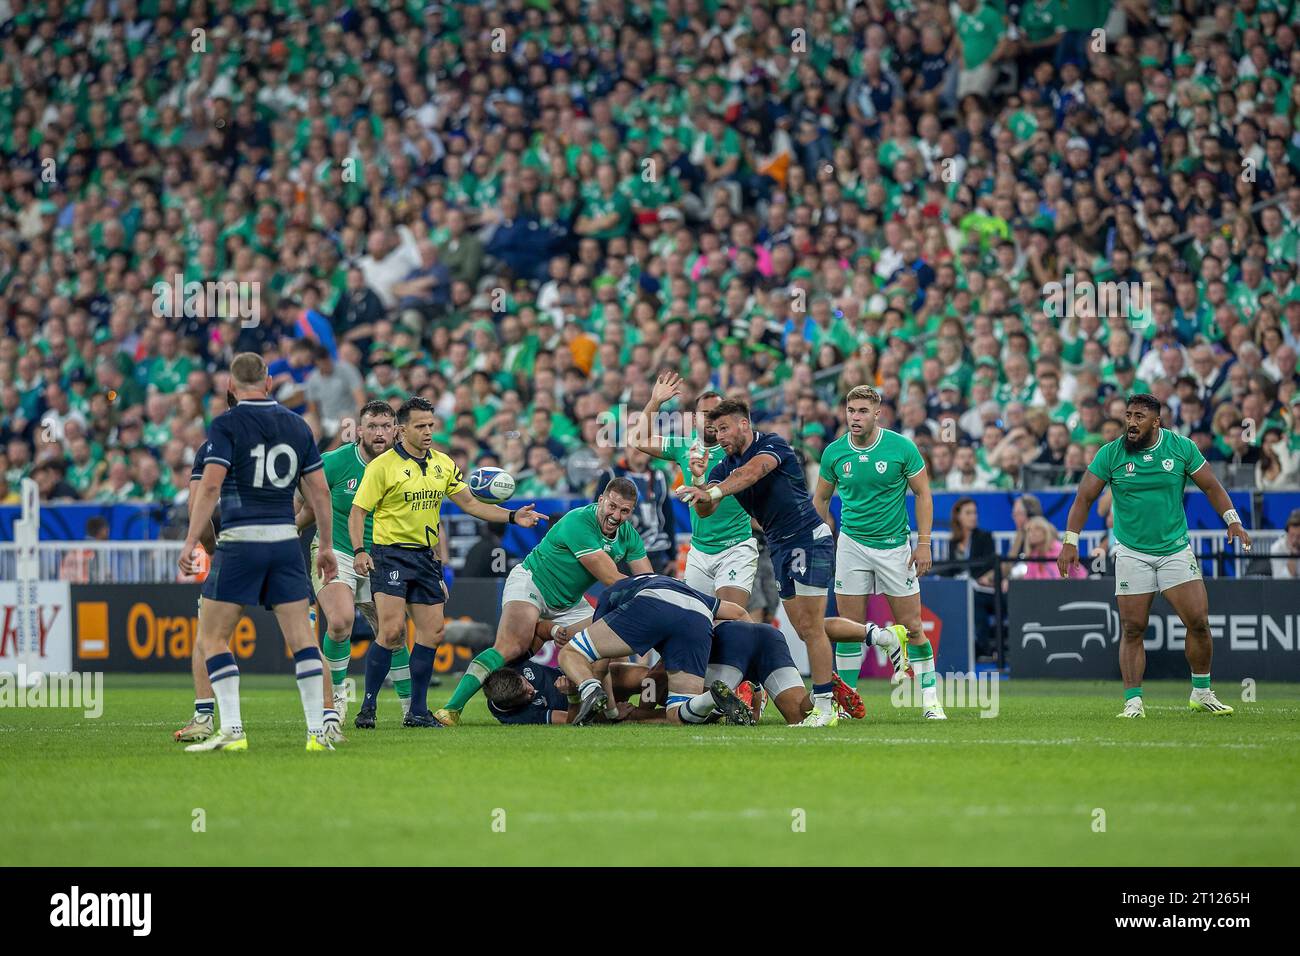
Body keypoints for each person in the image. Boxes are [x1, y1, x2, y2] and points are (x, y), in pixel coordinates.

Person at [348, 396, 545, 728]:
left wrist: (512, 516)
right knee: (393, 630)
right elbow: (358, 513)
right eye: (420, 426)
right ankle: (367, 707)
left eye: (431, 425)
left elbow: (470, 503)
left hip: (425, 557)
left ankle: (417, 712)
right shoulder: (382, 467)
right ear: (400, 430)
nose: (428, 431)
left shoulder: (443, 463)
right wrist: (359, 551)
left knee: (433, 633)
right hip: (391, 553)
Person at [177, 352, 338, 753]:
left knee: (213, 638)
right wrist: (328, 545)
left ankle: (231, 729)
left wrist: (190, 540)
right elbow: (319, 491)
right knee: (302, 640)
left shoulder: (226, 424)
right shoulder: (297, 425)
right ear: (268, 382)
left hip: (240, 542)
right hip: (284, 541)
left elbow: (210, 489)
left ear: (230, 386)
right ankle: (317, 733)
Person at [1058, 394, 1251, 718]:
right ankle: (1133, 702)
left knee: (1199, 622)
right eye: (1128, 415)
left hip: (1175, 549)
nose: (1131, 422)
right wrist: (1070, 541)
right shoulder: (1111, 453)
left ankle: (1201, 692)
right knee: (1133, 628)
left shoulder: (1181, 447)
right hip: (1132, 552)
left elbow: (1212, 487)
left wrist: (1233, 521)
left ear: (1156, 422)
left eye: (1139, 417)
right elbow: (1084, 497)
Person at [677, 398, 861, 727]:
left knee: (813, 624)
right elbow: (706, 509)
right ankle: (832, 683)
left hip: (808, 538)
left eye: (724, 428)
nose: (718, 436)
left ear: (744, 425)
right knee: (805, 629)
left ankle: (824, 707)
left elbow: (754, 472)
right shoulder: (722, 467)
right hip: (778, 546)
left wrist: (715, 492)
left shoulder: (772, 443)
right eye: (715, 430)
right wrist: (700, 488)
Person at [434, 477, 654, 726]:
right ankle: (451, 709)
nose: (616, 515)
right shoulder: (578, 521)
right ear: (600, 500)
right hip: (533, 583)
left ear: (631, 512)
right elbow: (612, 579)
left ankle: (613, 709)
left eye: (624, 511)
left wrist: (661, 596)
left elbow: (647, 579)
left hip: (570, 602)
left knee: (613, 641)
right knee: (511, 646)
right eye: (612, 506)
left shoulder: (629, 536)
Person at [813, 386, 934, 718]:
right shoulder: (835, 453)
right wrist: (817, 540)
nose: (855, 417)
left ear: (877, 414)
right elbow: (821, 500)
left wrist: (923, 542)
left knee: (912, 626)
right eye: (851, 410)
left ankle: (930, 700)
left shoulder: (901, 447)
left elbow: (923, 493)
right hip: (851, 545)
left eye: (863, 411)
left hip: (895, 547)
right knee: (851, 626)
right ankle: (848, 701)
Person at [295, 401, 398, 732]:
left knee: (394, 632)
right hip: (337, 550)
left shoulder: (405, 467)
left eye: (385, 426)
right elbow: (306, 502)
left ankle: (413, 709)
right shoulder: (335, 462)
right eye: (373, 427)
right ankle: (336, 698)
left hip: (383, 556)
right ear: (360, 430)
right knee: (339, 622)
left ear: (396, 430)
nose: (379, 433)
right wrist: (292, 525)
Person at [631, 372, 758, 610]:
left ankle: (765, 646)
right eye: (704, 414)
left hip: (735, 546)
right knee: (697, 623)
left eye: (717, 414)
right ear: (694, 418)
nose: (710, 419)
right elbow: (638, 439)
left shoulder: (740, 448)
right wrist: (655, 401)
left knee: (730, 619)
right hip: (699, 550)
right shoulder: (684, 445)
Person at [559, 573, 752, 726]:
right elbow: (739, 612)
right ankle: (712, 701)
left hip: (653, 602)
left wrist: (613, 713)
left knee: (571, 653)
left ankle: (589, 690)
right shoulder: (679, 585)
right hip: (699, 616)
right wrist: (750, 663)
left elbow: (601, 667)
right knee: (678, 712)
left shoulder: (610, 594)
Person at [594, 445, 676, 574]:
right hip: (621, 552)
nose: (638, 450)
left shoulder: (660, 476)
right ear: (625, 449)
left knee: (652, 593)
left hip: (654, 551)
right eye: (633, 445)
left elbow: (667, 516)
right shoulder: (610, 475)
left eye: (643, 445)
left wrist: (672, 556)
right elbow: (596, 513)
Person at [939, 496, 999, 660]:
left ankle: (983, 648)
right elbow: (950, 570)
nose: (973, 516)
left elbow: (989, 565)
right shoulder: (953, 542)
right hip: (959, 590)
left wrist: (977, 578)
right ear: (958, 516)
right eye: (968, 513)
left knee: (975, 599)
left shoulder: (985, 537)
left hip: (983, 589)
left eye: (975, 513)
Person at [1018, 516, 1086, 580]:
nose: (1032, 533)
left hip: (1079, 587)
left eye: (1037, 529)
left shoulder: (1059, 549)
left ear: (1046, 532)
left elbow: (1057, 578)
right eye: (1029, 530)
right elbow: (1028, 579)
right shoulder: (1034, 554)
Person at [1268, 509, 1300, 579]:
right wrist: (1293, 557)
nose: (1294, 540)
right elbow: (1280, 583)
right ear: (1287, 532)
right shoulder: (1277, 548)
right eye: (1292, 535)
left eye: (1299, 536)